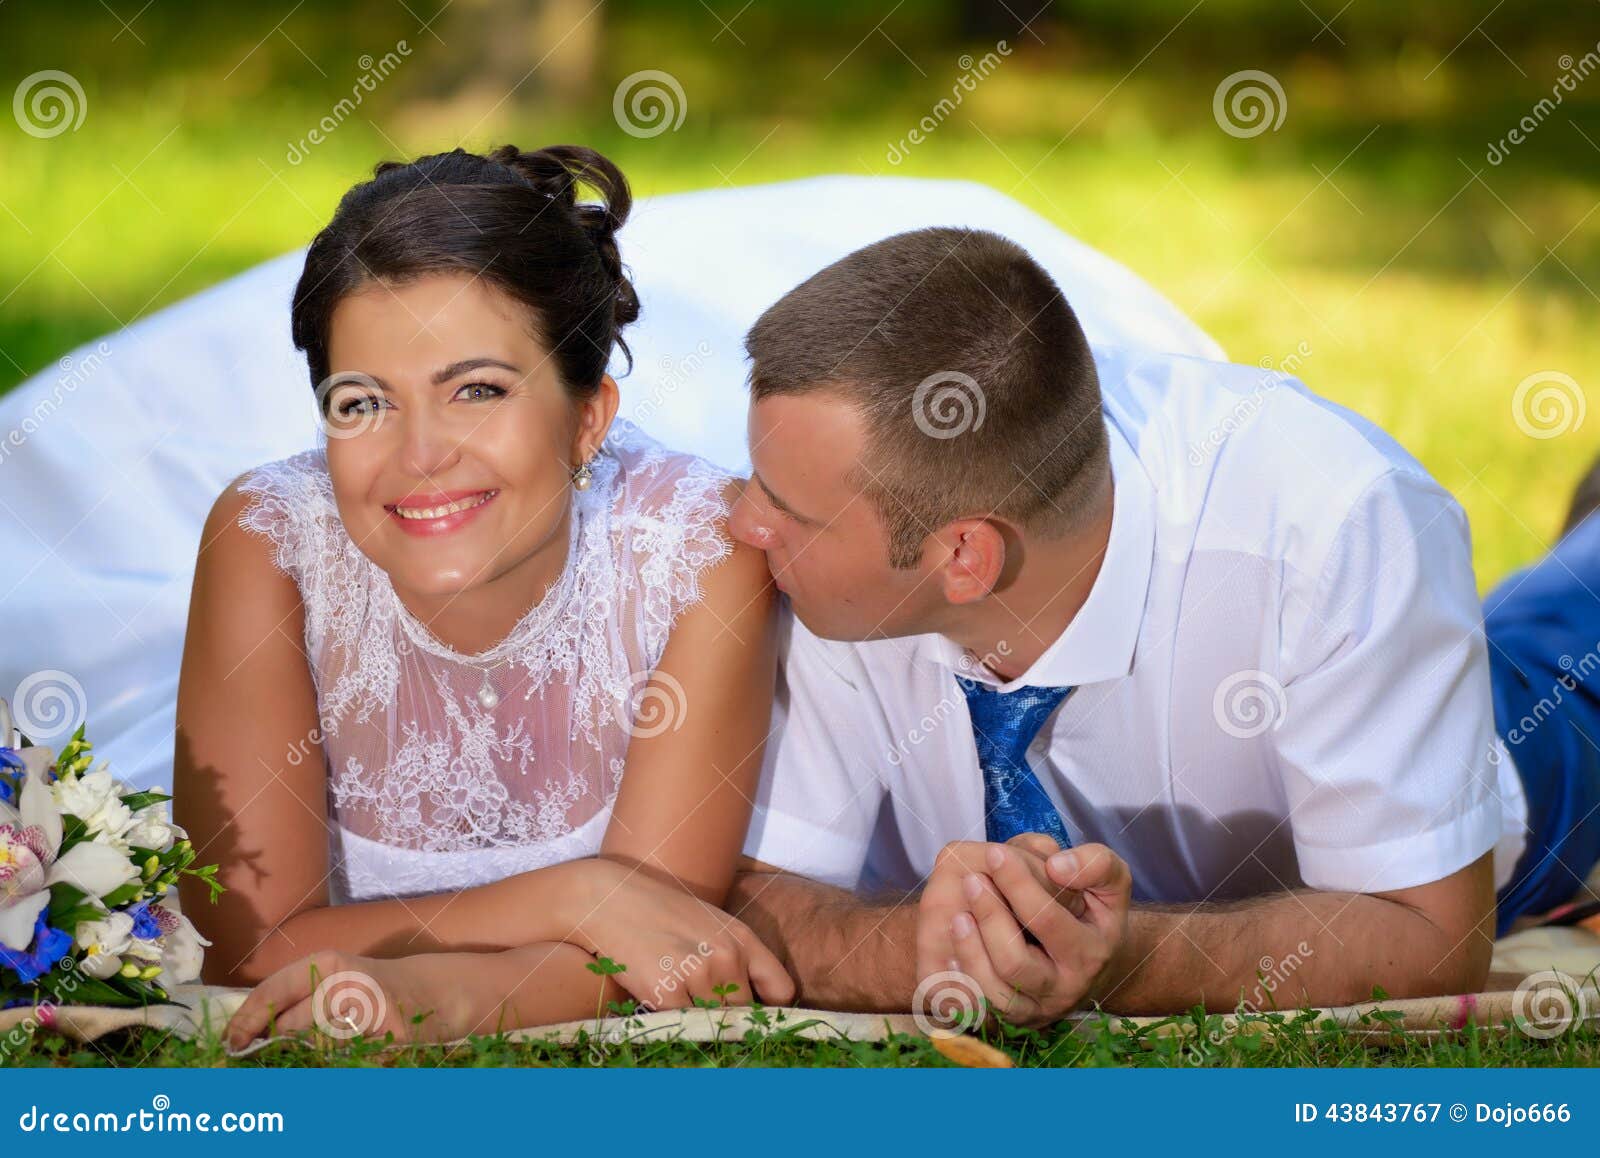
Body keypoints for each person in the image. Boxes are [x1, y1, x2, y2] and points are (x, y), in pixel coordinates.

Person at [723, 226, 1600, 1027]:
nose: (738, 522)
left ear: (966, 556)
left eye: (786, 510)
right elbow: (750, 895)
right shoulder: (832, 540)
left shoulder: (1334, 525)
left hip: (1507, 750)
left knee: (1571, 642)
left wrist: (1122, 959)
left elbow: (1428, 937)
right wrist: (937, 947)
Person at [174, 145, 794, 1047]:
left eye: (476, 390)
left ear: (589, 418)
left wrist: (434, 994)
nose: (421, 456)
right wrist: (574, 896)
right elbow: (243, 951)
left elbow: (664, 944)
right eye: (363, 402)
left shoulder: (699, 549)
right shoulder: (270, 541)